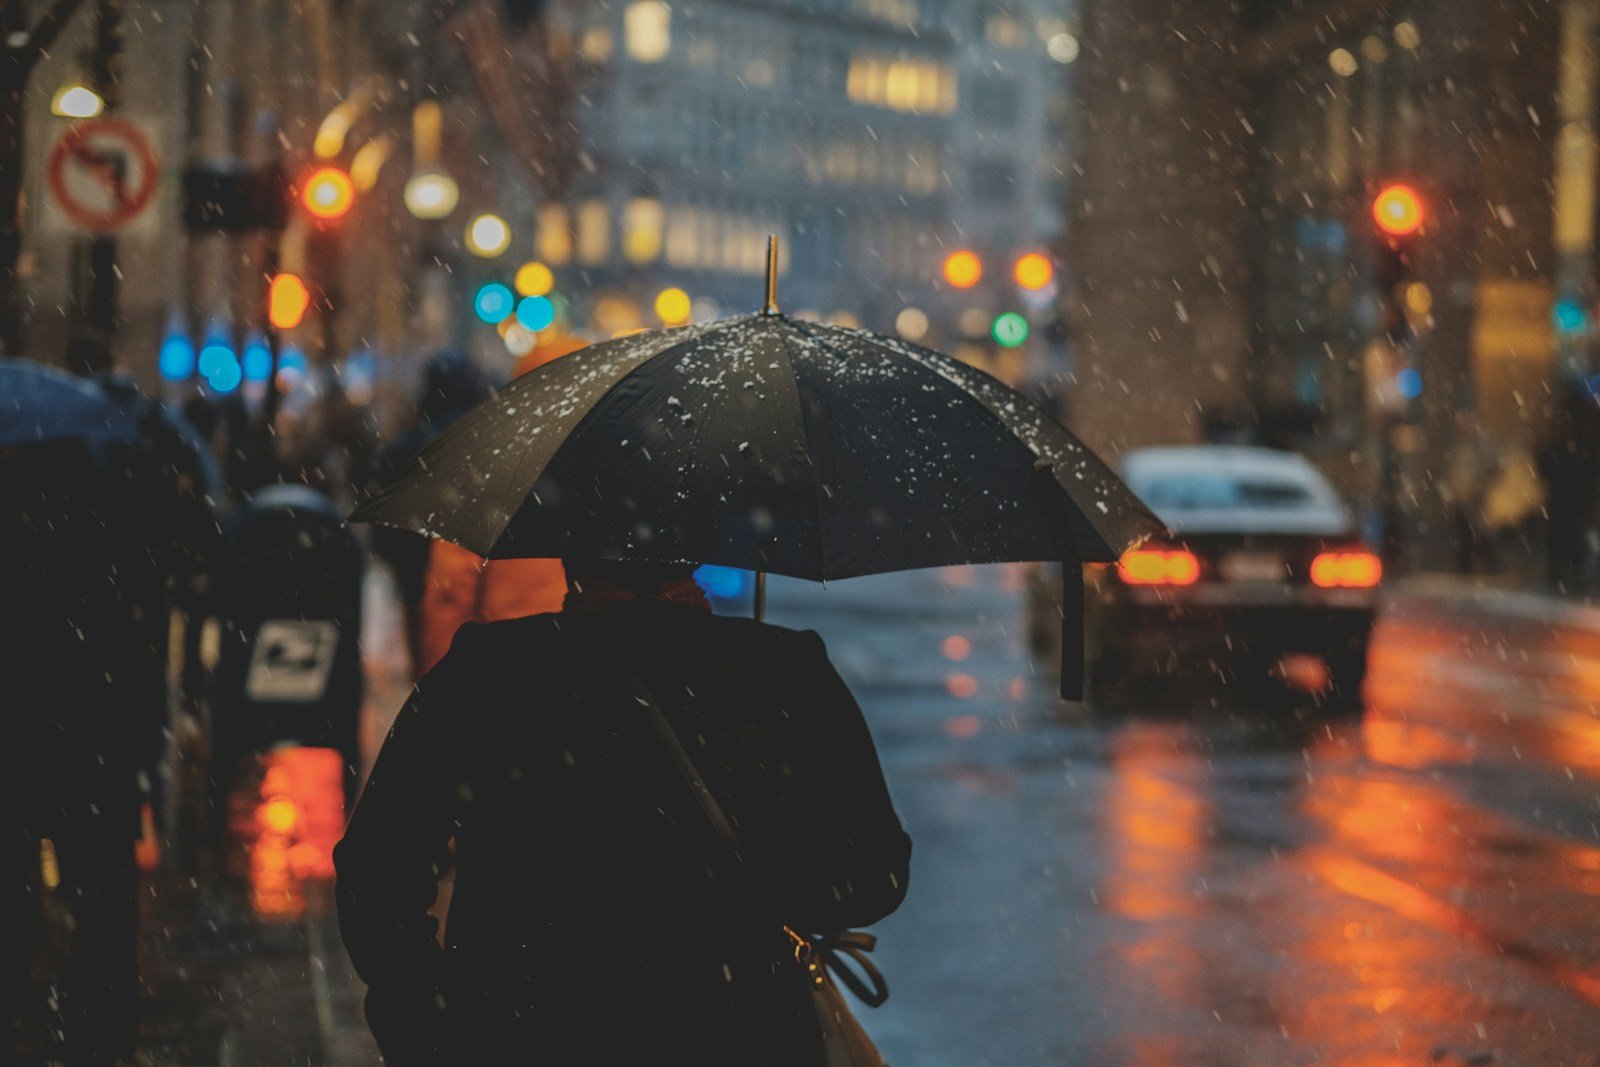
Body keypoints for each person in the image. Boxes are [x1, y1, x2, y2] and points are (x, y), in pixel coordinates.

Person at [335, 559, 911, 1064]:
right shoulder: (784, 671)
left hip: (521, 1036)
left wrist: (427, 1028)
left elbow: (376, 870)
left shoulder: (487, 673)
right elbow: (872, 880)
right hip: (739, 1034)